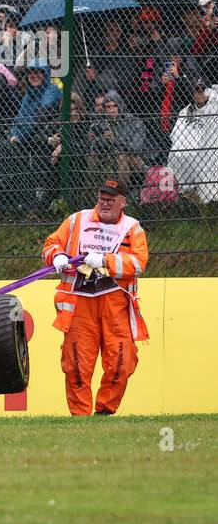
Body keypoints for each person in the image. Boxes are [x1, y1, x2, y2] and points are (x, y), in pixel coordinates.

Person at [42, 178, 149, 416]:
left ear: (123, 202)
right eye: (102, 198)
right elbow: (50, 244)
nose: (105, 203)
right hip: (79, 305)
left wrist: (104, 261)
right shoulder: (76, 220)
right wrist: (57, 255)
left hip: (116, 305)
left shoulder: (133, 228)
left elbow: (138, 263)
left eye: (111, 199)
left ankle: (105, 412)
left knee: (121, 362)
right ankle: (80, 417)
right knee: (77, 364)